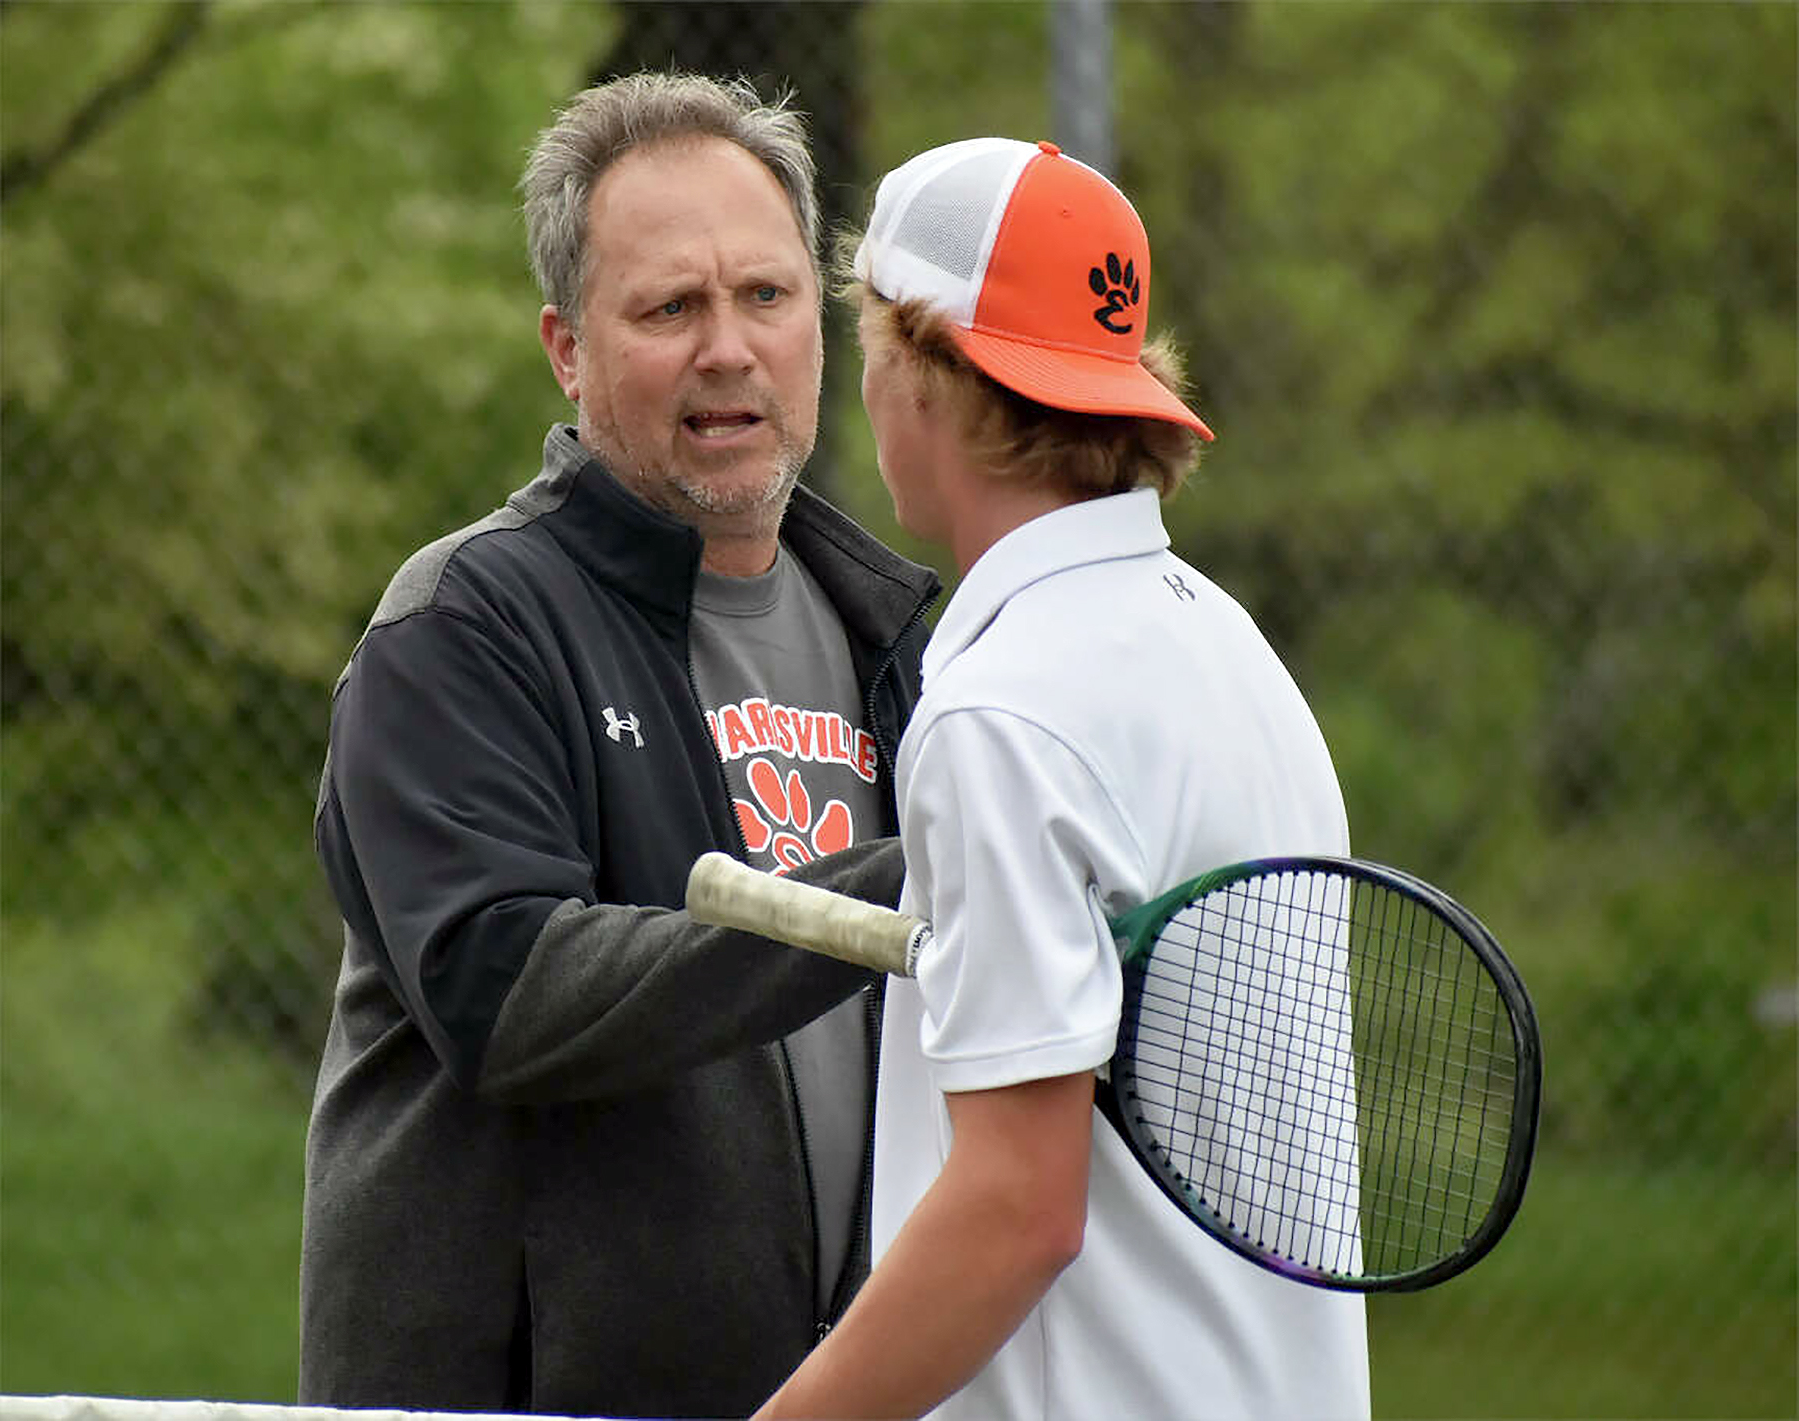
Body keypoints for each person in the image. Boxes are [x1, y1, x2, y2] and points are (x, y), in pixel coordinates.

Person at [299, 73, 939, 1417]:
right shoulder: (464, 624)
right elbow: (504, 983)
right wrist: (903, 886)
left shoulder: (910, 647)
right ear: (568, 349)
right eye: (670, 308)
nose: (730, 349)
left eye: (766, 296)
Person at [752, 139, 1371, 1420]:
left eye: (865, 332)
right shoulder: (1221, 642)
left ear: (924, 371)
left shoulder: (1001, 710)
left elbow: (1017, 1210)